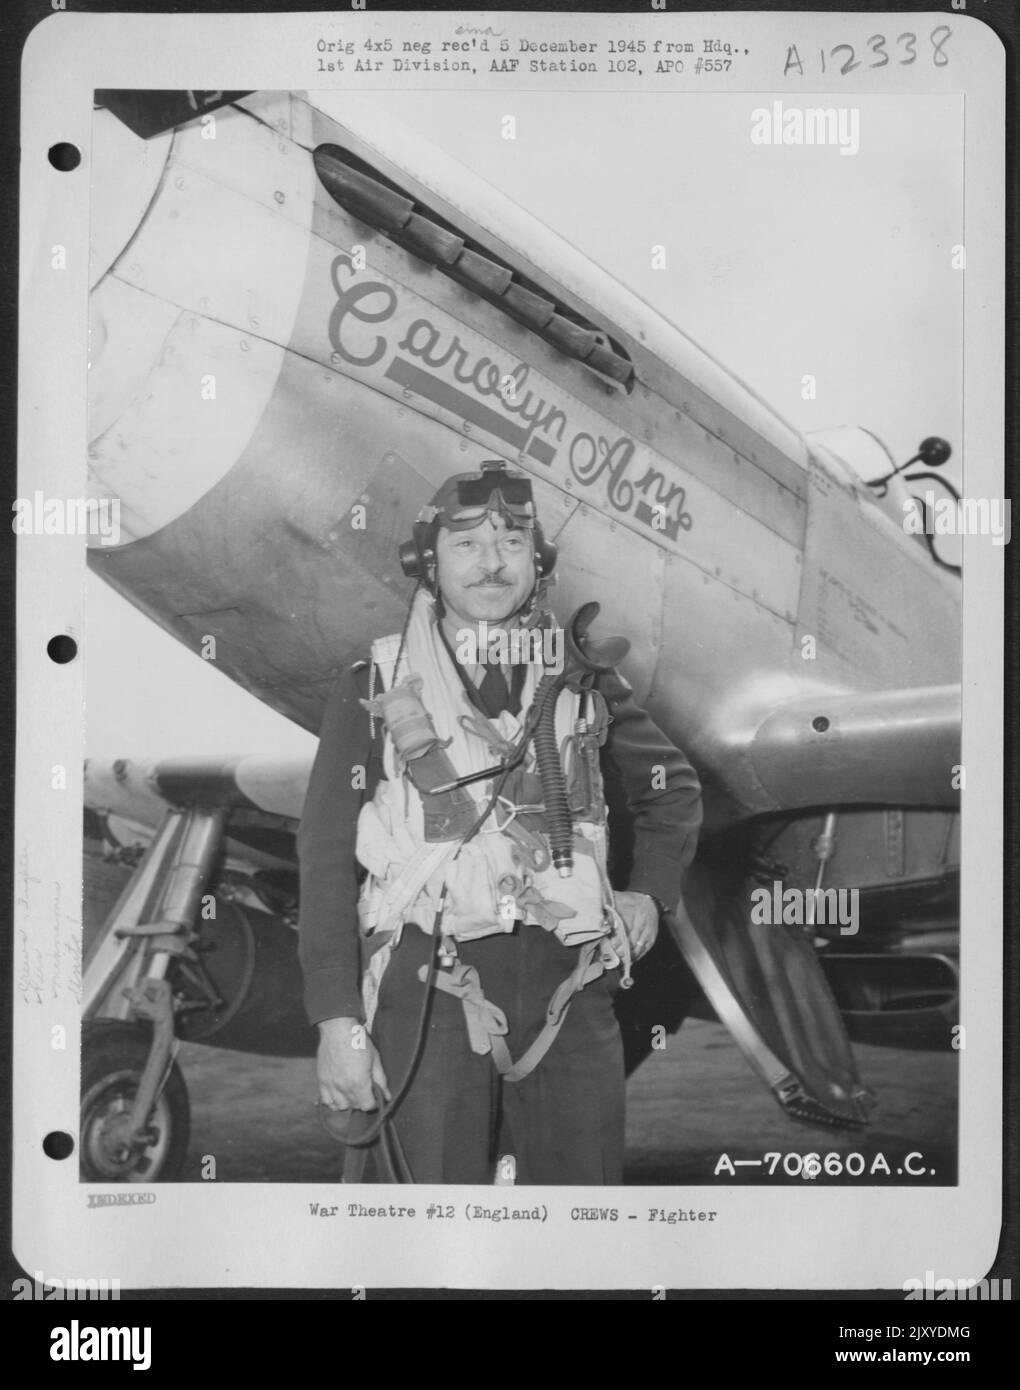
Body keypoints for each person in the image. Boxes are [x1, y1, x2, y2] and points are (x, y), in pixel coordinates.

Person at [298, 460, 702, 1184]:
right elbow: (325, 857)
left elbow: (672, 789)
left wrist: (651, 891)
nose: (492, 562)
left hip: (568, 989)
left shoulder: (583, 679)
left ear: (537, 562)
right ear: (429, 564)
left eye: (512, 542)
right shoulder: (376, 684)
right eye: (466, 544)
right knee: (424, 1247)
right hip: (430, 986)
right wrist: (337, 1023)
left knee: (580, 1238)